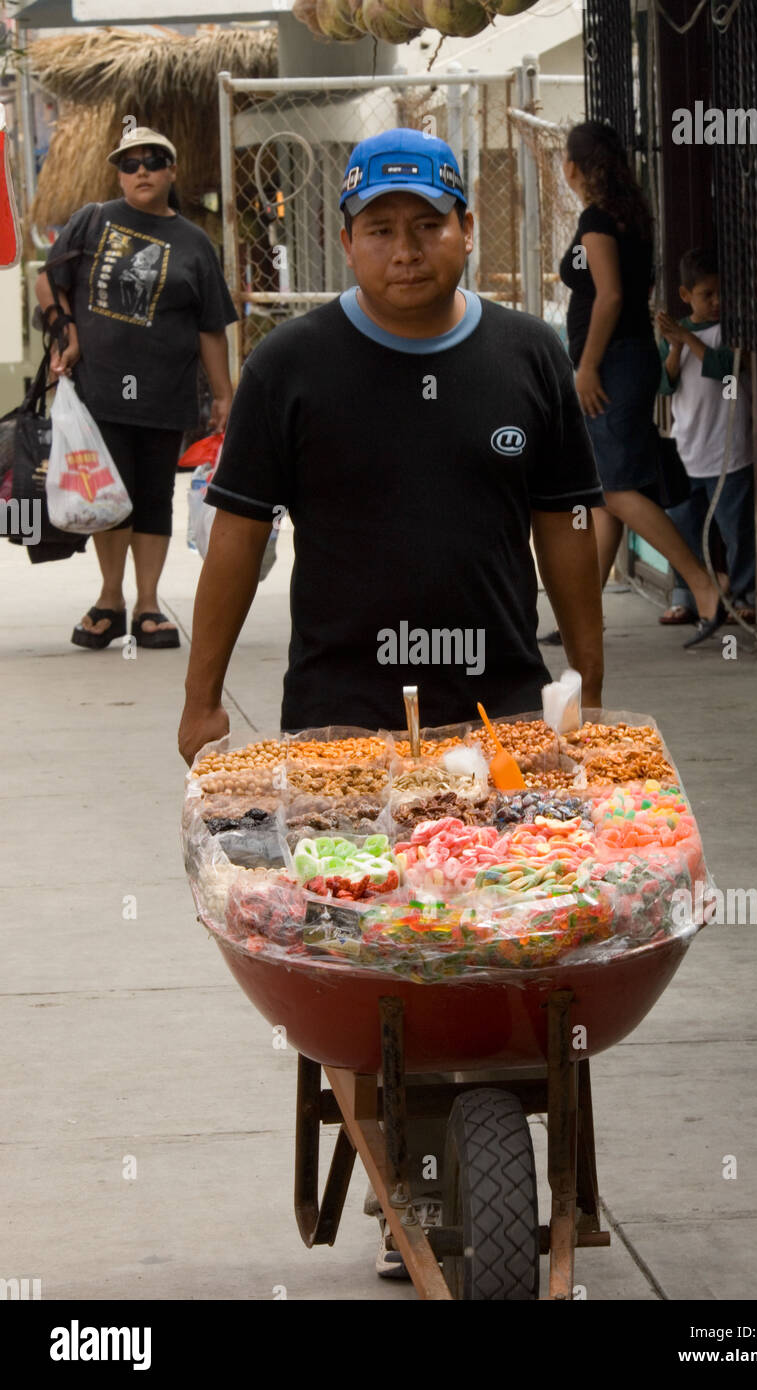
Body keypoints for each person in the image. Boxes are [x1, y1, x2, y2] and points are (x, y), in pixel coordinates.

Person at [177, 127, 605, 1276]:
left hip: (498, 712)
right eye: (381, 230)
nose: (405, 251)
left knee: (507, 931)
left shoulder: (525, 354)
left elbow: (565, 524)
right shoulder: (289, 366)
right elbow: (236, 541)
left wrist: (589, 682)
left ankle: (491, 1154)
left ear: (465, 228)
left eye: (428, 225)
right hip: (339, 716)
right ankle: (396, 1180)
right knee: (365, 955)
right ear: (347, 240)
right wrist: (200, 696)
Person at [35, 126, 237, 650]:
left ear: (172, 170)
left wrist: (223, 395)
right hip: (99, 387)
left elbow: (211, 326)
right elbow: (47, 281)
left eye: (153, 161)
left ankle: (148, 606)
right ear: (119, 174)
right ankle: (110, 600)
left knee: (151, 497)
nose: (141, 170)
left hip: (165, 392)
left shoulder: (194, 243)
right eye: (130, 164)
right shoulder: (93, 220)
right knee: (109, 494)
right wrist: (66, 333)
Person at [553, 121, 724, 649]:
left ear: (575, 167)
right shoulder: (632, 215)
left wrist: (586, 366)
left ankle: (703, 586)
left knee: (617, 490)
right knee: (608, 494)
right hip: (628, 361)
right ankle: (582, 616)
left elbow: (608, 298)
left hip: (611, 366)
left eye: (566, 158)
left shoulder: (598, 220)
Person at [656, 248, 756, 625]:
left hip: (728, 453)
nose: (716, 301)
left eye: (720, 293)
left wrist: (687, 337)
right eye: (706, 295)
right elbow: (665, 385)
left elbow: (724, 369)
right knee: (682, 532)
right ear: (686, 296)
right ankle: (686, 595)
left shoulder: (731, 331)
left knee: (736, 530)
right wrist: (676, 344)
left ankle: (745, 593)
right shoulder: (675, 335)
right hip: (687, 453)